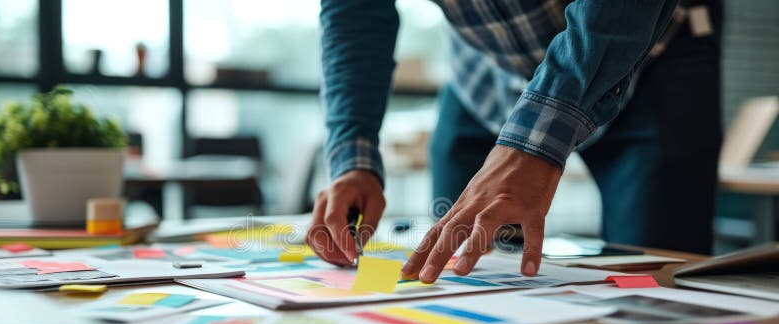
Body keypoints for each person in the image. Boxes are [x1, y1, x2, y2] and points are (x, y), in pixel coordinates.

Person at [306, 0, 723, 284]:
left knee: (653, 287)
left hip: (647, 53)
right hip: (483, 70)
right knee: (454, 278)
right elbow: (355, 12)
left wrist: (533, 143)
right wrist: (352, 156)